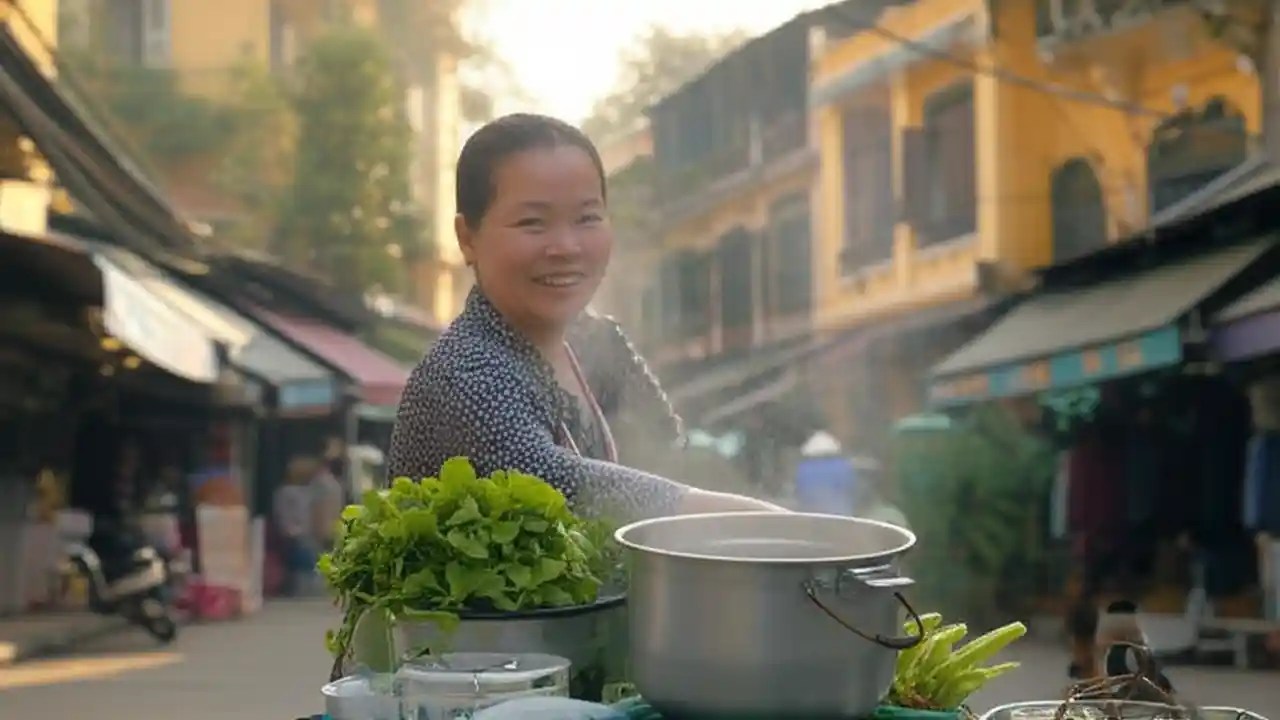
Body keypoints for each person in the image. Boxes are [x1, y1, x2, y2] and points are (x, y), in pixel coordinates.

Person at [387, 113, 784, 523]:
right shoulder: (465, 372)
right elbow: (557, 486)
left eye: (587, 218)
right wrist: (762, 522)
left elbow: (666, 450)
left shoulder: (601, 341)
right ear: (467, 237)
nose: (566, 246)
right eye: (532, 223)